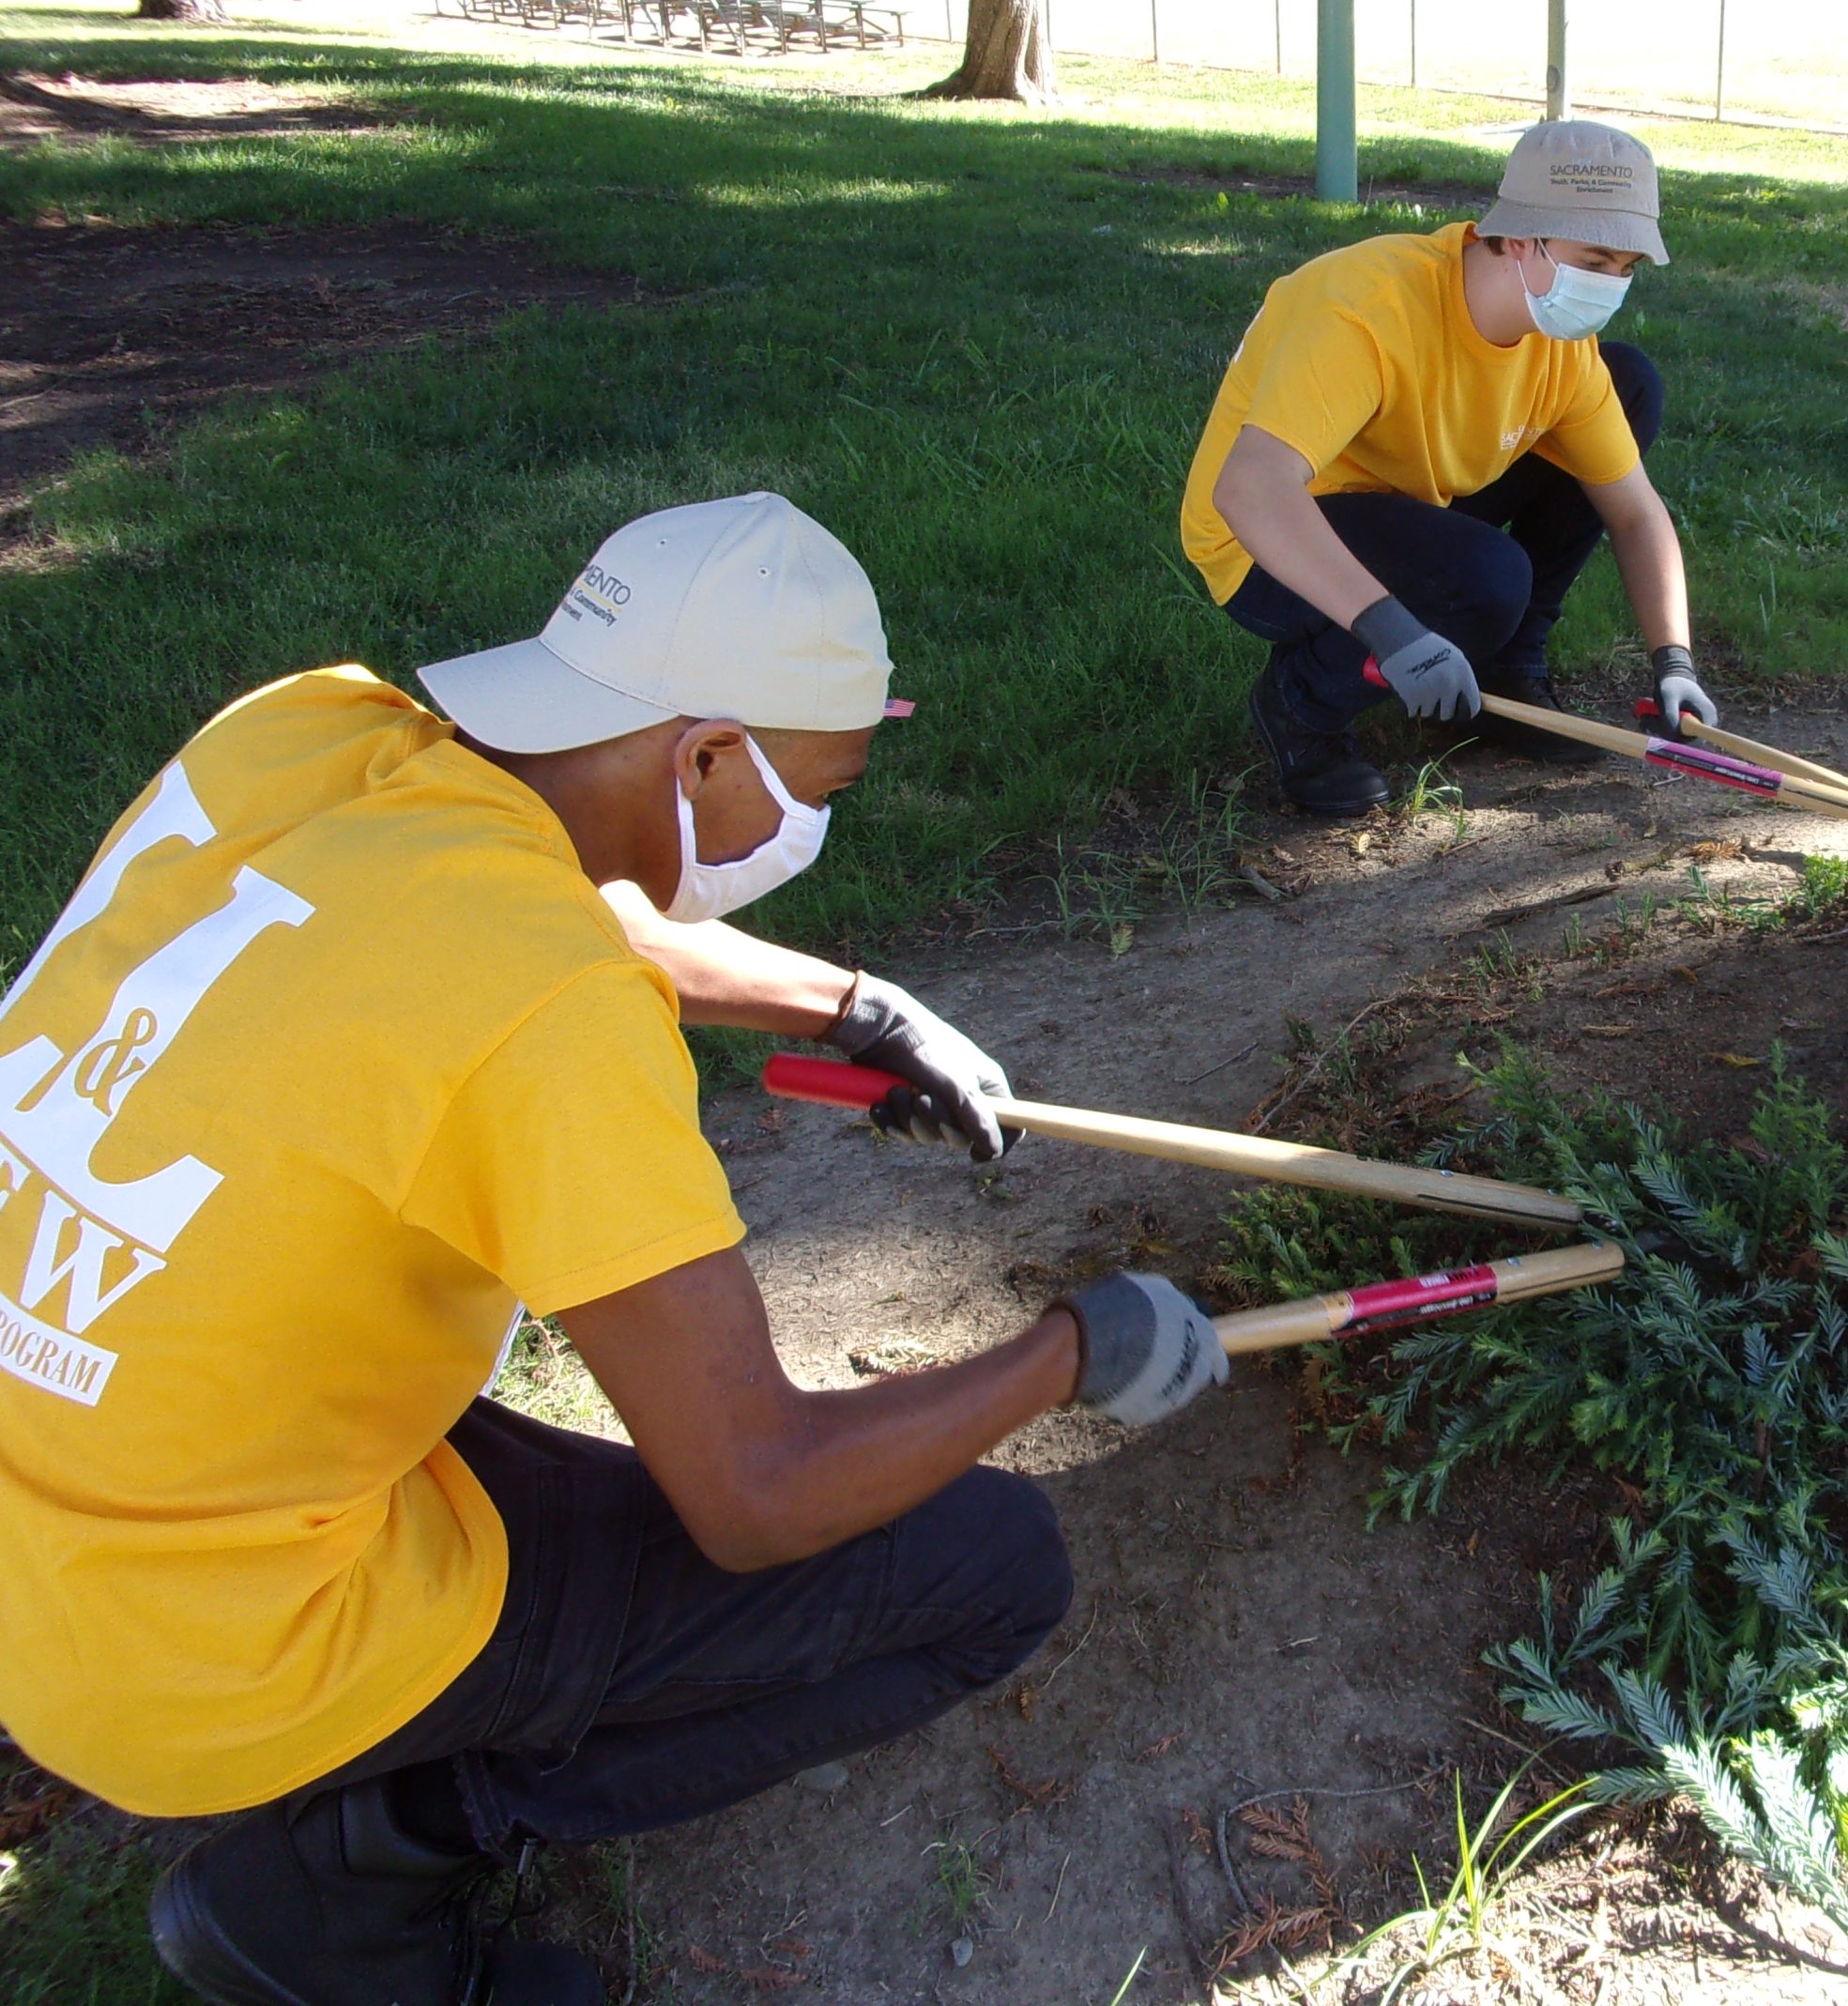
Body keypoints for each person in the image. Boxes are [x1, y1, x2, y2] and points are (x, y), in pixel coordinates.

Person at [0, 495, 1229, 2006]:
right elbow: (758, 1496)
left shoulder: (306, 731)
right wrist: (1068, 1353)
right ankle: (353, 1879)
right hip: (186, 1644)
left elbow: (558, 906)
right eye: (817, 786)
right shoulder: (549, 1012)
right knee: (991, 1570)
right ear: (708, 752)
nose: (810, 828)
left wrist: (852, 1006)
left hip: (65, 1461)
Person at [1182, 117, 1722, 818]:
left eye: (1626, 270)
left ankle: (1507, 673)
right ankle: (1301, 707)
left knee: (1628, 382)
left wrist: (1673, 660)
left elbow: (1635, 511)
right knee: (1486, 580)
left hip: (1405, 503)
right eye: (1593, 261)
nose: (1610, 288)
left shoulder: (1559, 346)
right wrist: (1396, 633)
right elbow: (1249, 490)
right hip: (1268, 535)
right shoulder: (1368, 306)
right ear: (1521, 238)